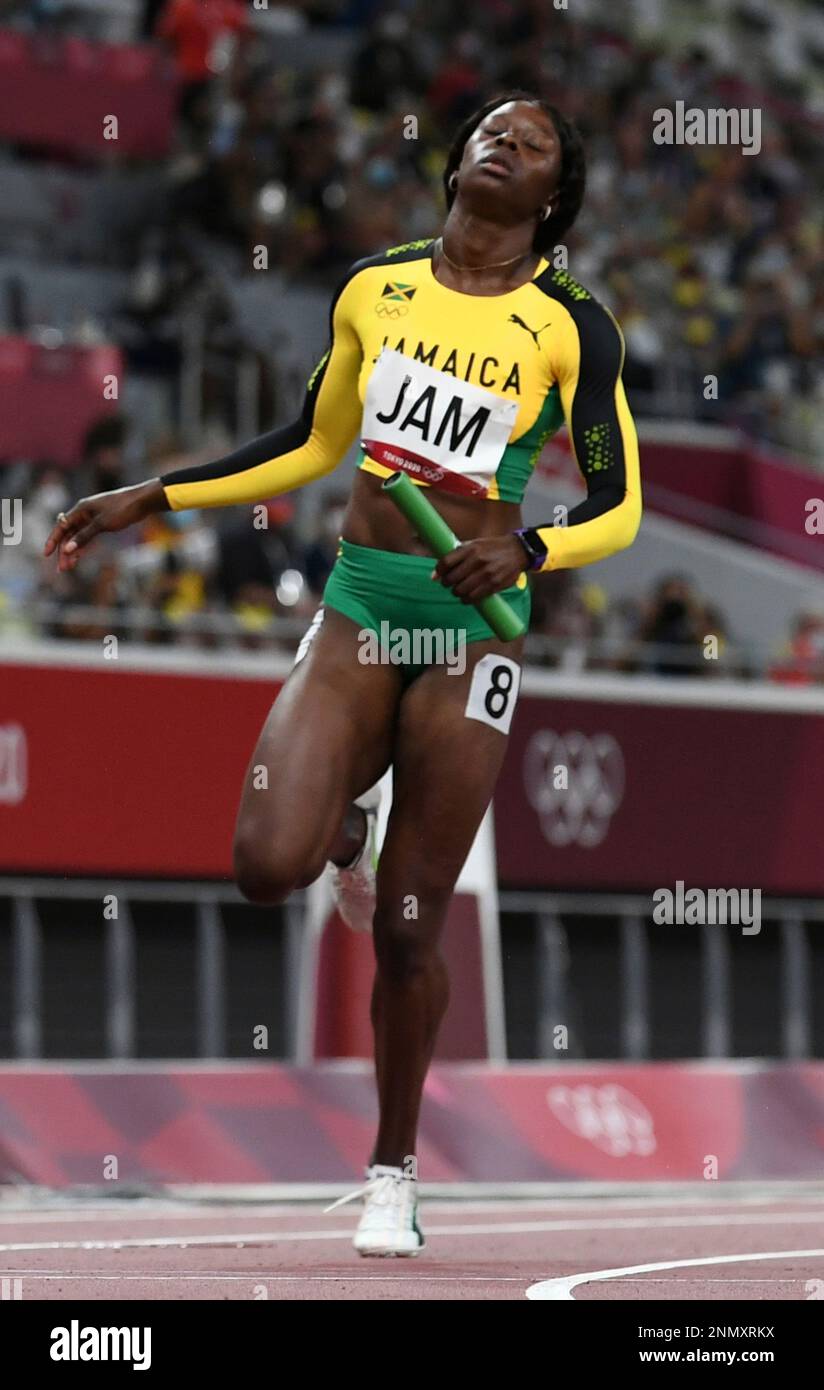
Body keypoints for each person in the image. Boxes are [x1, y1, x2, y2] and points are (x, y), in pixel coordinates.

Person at [45, 92, 642, 1256]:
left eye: (530, 144)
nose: (500, 142)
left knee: (413, 929)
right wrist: (148, 494)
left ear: (550, 199)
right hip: (362, 600)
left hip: (470, 630)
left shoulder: (574, 324)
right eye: (490, 128)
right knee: (266, 863)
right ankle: (340, 834)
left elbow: (619, 504)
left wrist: (526, 544)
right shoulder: (377, 284)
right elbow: (313, 444)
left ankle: (391, 1168)